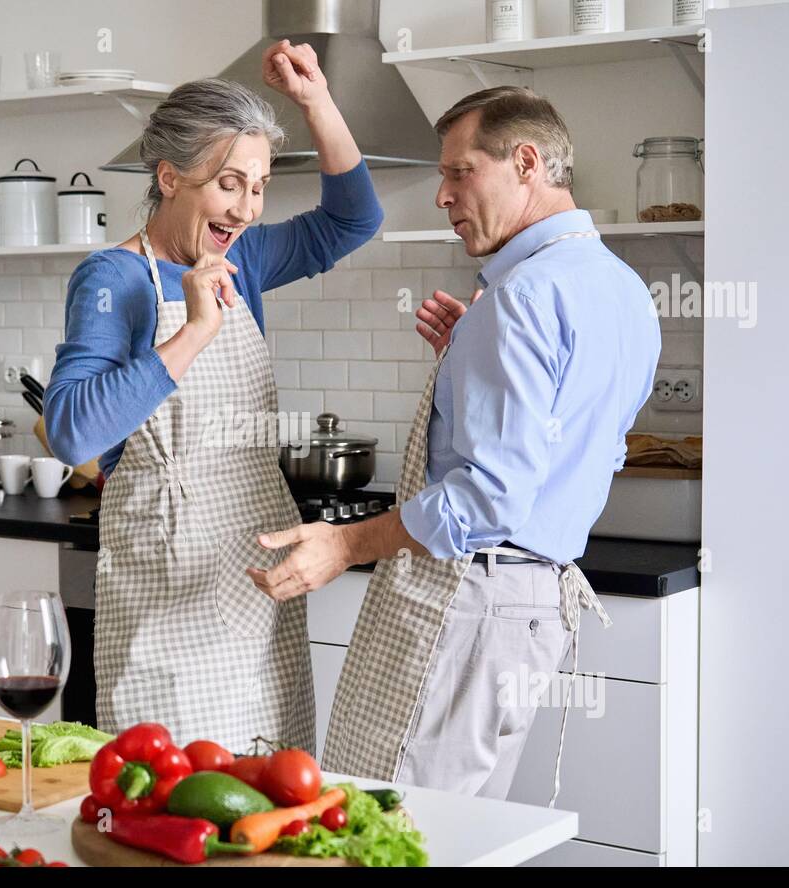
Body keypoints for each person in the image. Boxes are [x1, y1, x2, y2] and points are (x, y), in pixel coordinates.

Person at [248, 86, 661, 798]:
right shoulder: (623, 290)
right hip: (531, 612)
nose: (442, 195)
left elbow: (490, 498)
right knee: (461, 838)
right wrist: (471, 358)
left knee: (388, 827)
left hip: (471, 602)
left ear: (526, 163)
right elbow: (591, 446)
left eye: (459, 172)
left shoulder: (523, 298)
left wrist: (344, 544)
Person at [45, 41, 383, 753]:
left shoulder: (244, 259)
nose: (248, 208)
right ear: (169, 177)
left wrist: (316, 100)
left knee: (267, 796)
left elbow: (354, 221)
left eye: (259, 187)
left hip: (255, 580)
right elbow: (72, 432)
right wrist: (196, 330)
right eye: (231, 183)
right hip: (169, 586)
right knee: (173, 796)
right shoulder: (112, 278)